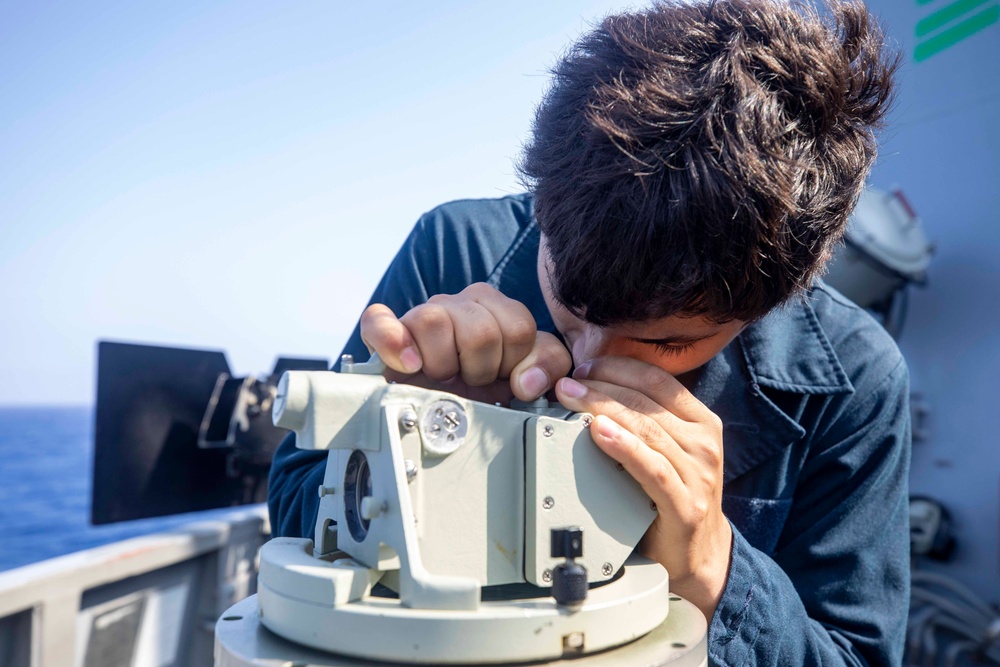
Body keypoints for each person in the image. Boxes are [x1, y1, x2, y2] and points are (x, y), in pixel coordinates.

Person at [268, 0, 909, 664]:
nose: (583, 370)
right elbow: (294, 494)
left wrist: (715, 569)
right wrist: (396, 431)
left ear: (772, 302)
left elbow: (853, 653)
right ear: (544, 207)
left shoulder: (854, 379)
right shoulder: (452, 248)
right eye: (569, 313)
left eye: (664, 342)